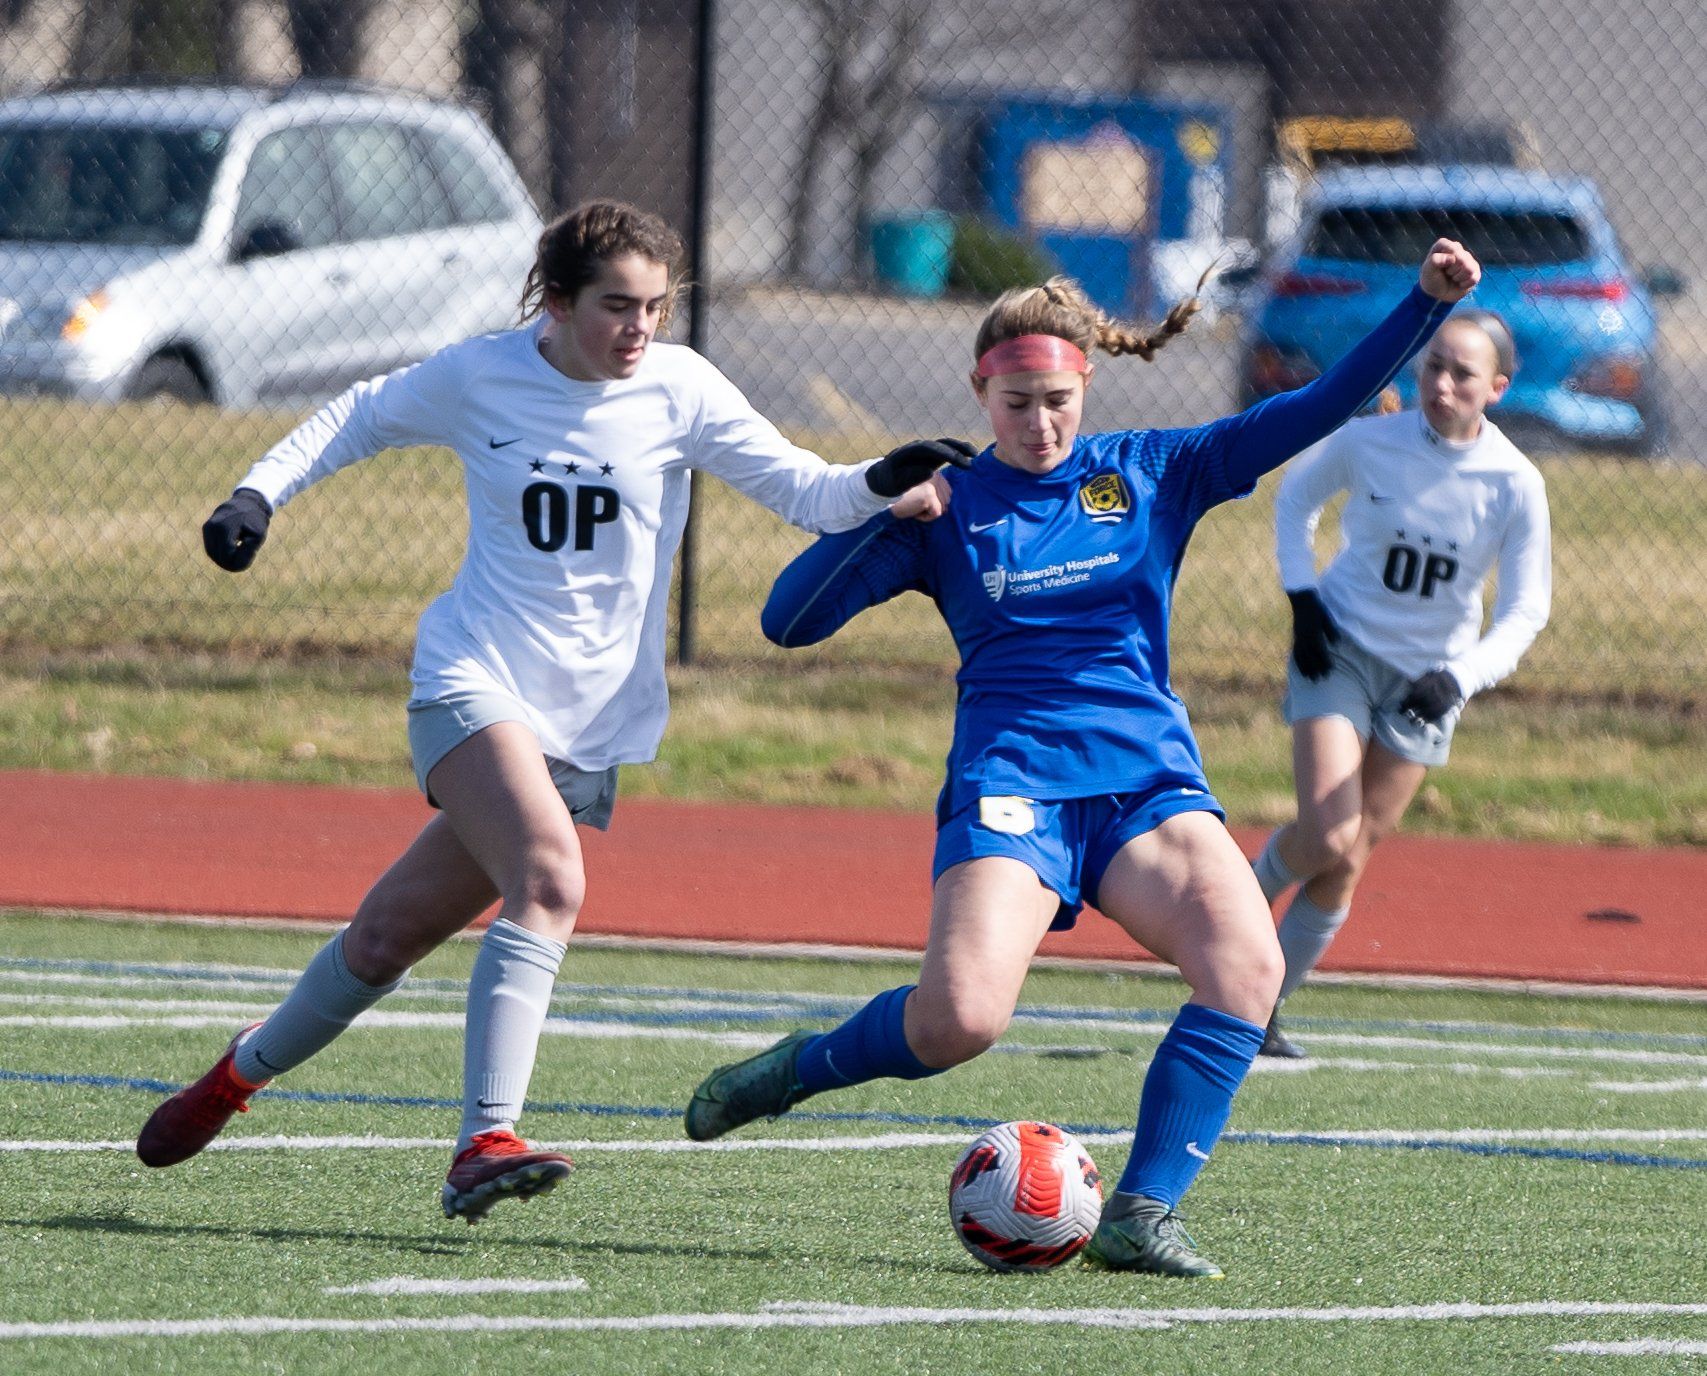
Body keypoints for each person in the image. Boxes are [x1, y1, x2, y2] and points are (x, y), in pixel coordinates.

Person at [133, 199, 971, 1222]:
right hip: (470, 682)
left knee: (386, 936)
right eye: (617, 306)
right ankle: (484, 1136)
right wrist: (255, 496)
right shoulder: (481, 373)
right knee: (550, 875)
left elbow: (810, 492)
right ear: (558, 299)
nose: (639, 328)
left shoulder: (680, 386)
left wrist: (889, 476)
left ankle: (233, 1078)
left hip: (583, 728)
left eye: (656, 307)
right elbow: (354, 416)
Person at [681, 240, 1481, 1277]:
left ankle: (1142, 1209)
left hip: (1147, 782)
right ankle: (794, 1070)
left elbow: (1318, 406)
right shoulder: (949, 505)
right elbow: (789, 620)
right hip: (1012, 784)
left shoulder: (1153, 471)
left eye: (1057, 398)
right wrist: (884, 505)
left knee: (1247, 966)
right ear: (981, 391)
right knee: (960, 1018)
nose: (1040, 422)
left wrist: (1421, 304)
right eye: (1016, 402)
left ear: (1085, 384)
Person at [1251, 309, 1551, 1058]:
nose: (1441, 384)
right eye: (1432, 367)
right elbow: (1296, 498)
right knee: (1326, 831)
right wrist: (1301, 599)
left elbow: (1523, 610)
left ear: (1497, 389)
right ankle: (1226, 922)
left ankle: (1259, 1009)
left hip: (1427, 682)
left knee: (1351, 856)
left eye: (1462, 374)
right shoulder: (1369, 441)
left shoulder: (1514, 483)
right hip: (1341, 653)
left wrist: (1459, 677)